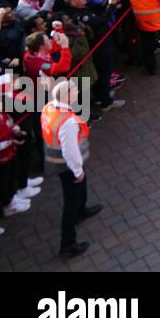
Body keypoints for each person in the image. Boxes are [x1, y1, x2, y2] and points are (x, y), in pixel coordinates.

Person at [40, 79, 102, 257]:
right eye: (74, 91)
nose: (77, 93)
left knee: (77, 193)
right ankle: (67, 243)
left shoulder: (49, 108)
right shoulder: (68, 121)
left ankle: (81, 210)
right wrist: (78, 171)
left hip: (57, 161)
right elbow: (70, 151)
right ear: (66, 96)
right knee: (71, 200)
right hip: (67, 165)